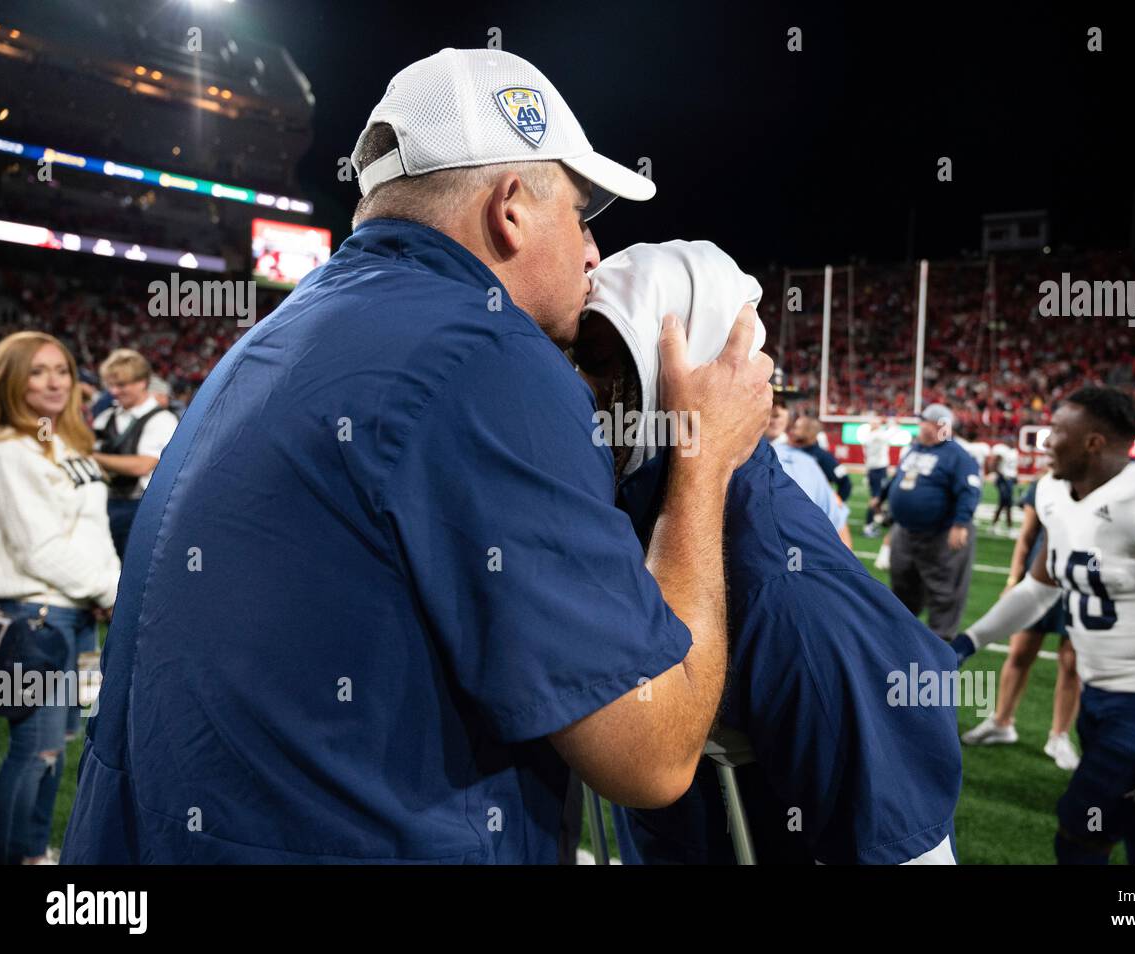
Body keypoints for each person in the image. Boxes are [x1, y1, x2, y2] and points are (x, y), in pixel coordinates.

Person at [62, 48, 773, 864]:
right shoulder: (486, 356)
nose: (590, 254)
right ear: (511, 208)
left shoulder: (265, 342)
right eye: (581, 216)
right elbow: (653, 752)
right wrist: (704, 460)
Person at [573, 240, 961, 864]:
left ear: (688, 362)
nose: (574, 388)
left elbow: (906, 853)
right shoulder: (617, 515)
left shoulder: (795, 597)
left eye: (598, 361)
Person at [953, 387, 1135, 864]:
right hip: (1098, 696)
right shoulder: (1055, 493)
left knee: (1081, 832)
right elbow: (1038, 588)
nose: (1045, 443)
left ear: (1092, 442)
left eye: (1057, 433)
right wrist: (967, 642)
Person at [0, 331, 119, 865]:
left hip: (80, 616)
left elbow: (94, 533)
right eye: (37, 371)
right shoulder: (9, 450)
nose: (53, 382)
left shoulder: (68, 445)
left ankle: (33, 852)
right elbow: (38, 549)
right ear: (11, 381)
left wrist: (109, 589)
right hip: (35, 618)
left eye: (62, 370)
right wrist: (113, 592)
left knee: (60, 747)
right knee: (33, 751)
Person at [960, 471, 1080, 771]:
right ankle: (1002, 721)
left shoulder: (1114, 487)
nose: (1049, 447)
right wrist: (1014, 579)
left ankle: (1060, 735)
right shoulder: (1047, 484)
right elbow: (1027, 537)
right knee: (1019, 652)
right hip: (1042, 576)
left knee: (1072, 662)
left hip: (1083, 586)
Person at [877, 403, 981, 639]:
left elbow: (969, 490)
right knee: (903, 586)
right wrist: (882, 498)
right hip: (906, 532)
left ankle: (940, 643)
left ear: (939, 426)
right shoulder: (915, 449)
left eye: (923, 421)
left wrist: (960, 523)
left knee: (944, 592)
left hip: (940, 534)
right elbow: (899, 478)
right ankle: (901, 637)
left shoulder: (957, 455)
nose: (919, 426)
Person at [91, 350, 178, 558]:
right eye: (110, 385)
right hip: (106, 503)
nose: (114, 392)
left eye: (121, 385)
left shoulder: (162, 420)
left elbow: (142, 465)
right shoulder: (105, 417)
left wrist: (92, 456)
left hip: (142, 508)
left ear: (142, 382)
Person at [788, 414, 852, 501]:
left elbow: (845, 482)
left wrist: (837, 503)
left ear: (809, 431)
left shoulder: (823, 457)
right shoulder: (789, 452)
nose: (792, 431)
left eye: (797, 428)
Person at [989, 440, 1018, 530]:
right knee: (1006, 502)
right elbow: (994, 464)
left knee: (1004, 503)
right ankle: (1007, 526)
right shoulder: (1003, 451)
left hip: (1010, 479)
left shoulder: (1014, 452)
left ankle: (995, 525)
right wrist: (999, 474)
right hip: (1004, 479)